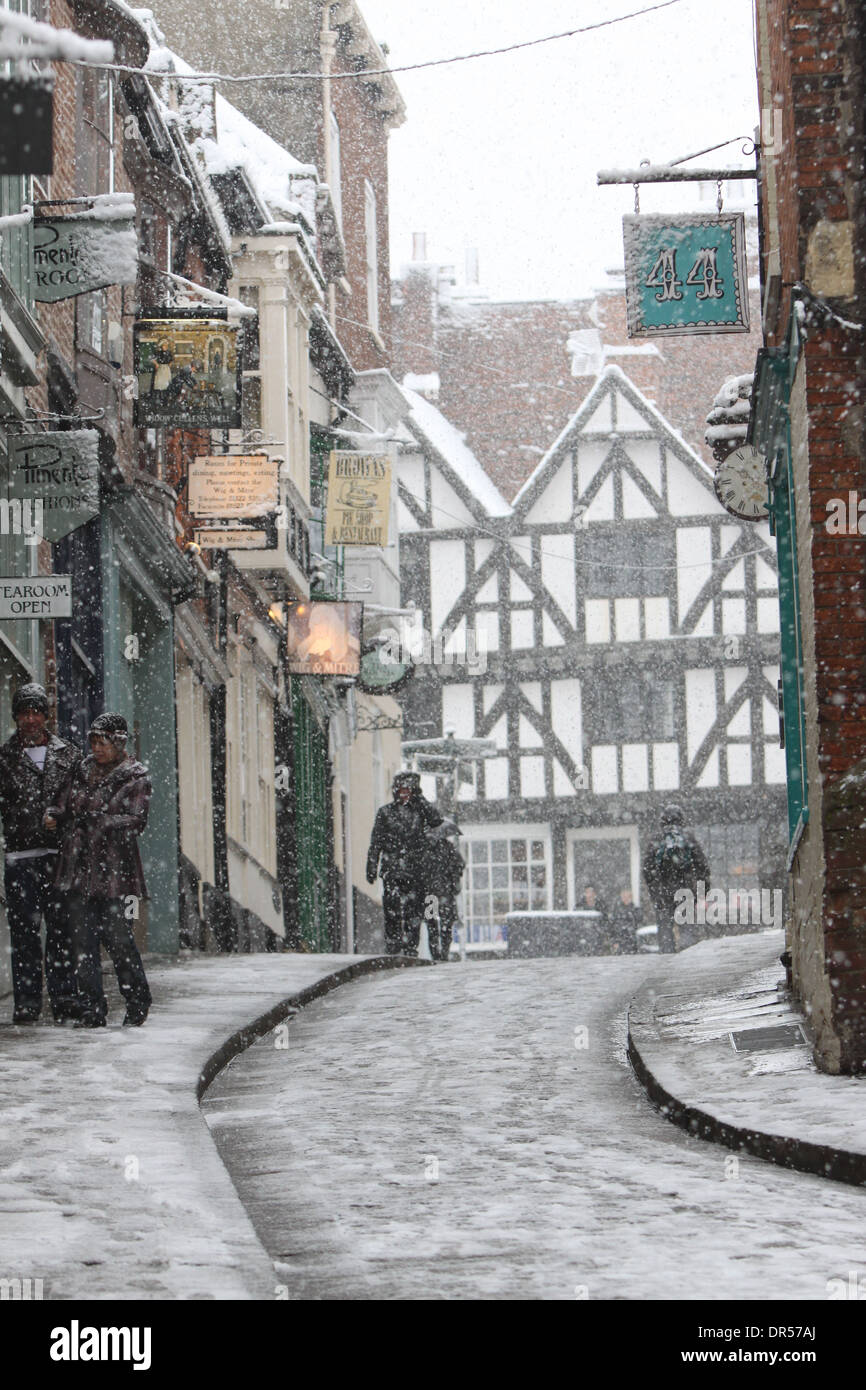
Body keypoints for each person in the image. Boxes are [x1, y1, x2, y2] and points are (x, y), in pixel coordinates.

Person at [48, 713, 153, 1027]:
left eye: (103, 742)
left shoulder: (135, 777)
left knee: (118, 939)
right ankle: (92, 1007)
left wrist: (102, 822)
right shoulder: (80, 770)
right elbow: (62, 803)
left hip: (113, 872)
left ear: (118, 743)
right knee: (82, 942)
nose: (97, 749)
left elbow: (137, 820)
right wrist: (54, 814)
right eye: (94, 742)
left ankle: (137, 1002)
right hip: (78, 869)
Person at [0, 684, 81, 1023]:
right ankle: (28, 1002)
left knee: (61, 930)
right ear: (16, 716)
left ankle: (63, 999)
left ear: (46, 716)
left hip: (59, 857)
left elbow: (80, 804)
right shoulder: (5, 758)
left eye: (36, 712)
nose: (30, 719)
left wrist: (62, 823)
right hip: (20, 858)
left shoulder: (69, 755)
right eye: (24, 712)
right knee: (24, 934)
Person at [366, 771, 442, 956]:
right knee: (391, 905)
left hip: (415, 868)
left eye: (408, 790)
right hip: (392, 867)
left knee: (413, 909)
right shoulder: (385, 813)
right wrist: (371, 865)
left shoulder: (419, 811)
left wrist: (421, 799)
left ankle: (410, 945)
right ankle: (393, 942)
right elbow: (376, 841)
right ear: (395, 791)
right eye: (401, 790)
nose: (404, 794)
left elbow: (436, 819)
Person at [642, 805, 710, 954]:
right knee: (687, 928)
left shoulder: (656, 839)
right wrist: (703, 890)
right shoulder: (687, 838)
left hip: (662, 891)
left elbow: (647, 869)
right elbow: (702, 866)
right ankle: (687, 959)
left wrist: (654, 892)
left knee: (665, 930)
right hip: (685, 890)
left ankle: (667, 961)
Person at [420, 820, 465, 962]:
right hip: (445, 893)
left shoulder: (424, 850)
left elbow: (420, 871)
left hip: (430, 894)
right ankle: (444, 952)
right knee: (446, 924)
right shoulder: (448, 848)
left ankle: (436, 954)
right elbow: (460, 865)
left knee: (431, 924)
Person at [609, 888, 641, 955]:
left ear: (631, 897)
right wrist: (614, 941)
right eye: (624, 897)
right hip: (619, 940)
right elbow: (612, 926)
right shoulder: (616, 910)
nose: (626, 899)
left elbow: (638, 923)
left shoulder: (635, 909)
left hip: (632, 941)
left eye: (628, 896)